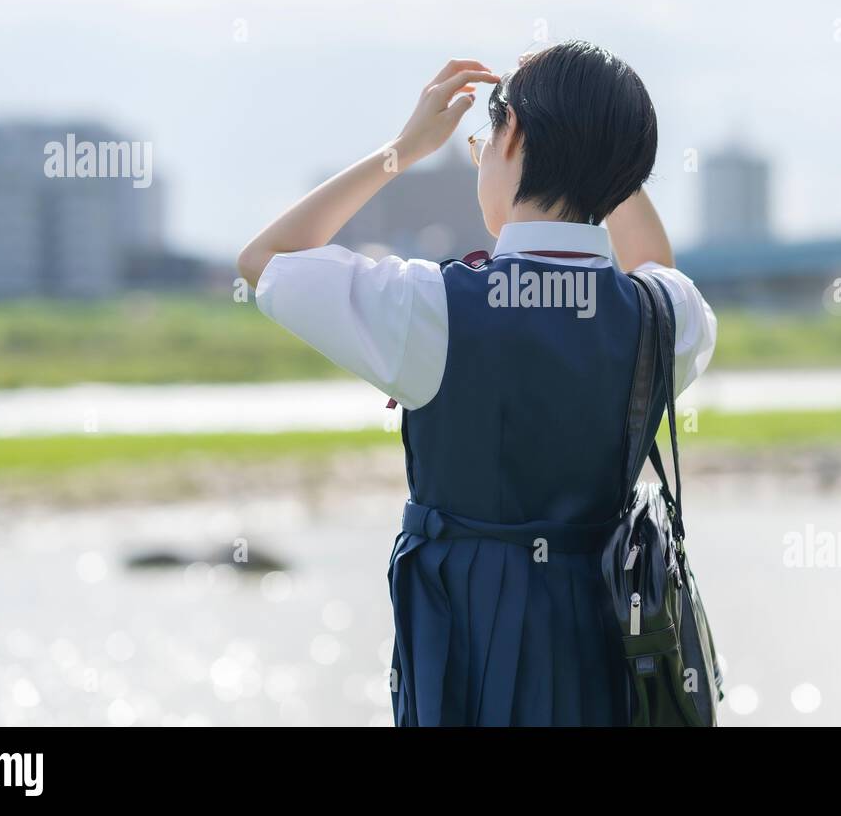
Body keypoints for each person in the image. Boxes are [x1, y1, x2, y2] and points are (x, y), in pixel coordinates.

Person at [237, 40, 716, 725]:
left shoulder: (428, 309)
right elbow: (653, 267)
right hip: (613, 660)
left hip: (469, 650)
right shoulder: (669, 316)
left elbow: (266, 260)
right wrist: (600, 147)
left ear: (512, 133)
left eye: (482, 138)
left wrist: (403, 148)